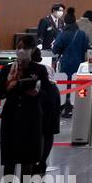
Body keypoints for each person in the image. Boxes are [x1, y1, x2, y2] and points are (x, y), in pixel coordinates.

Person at [0, 36, 49, 183]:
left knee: (27, 158)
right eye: (19, 47)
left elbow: (46, 94)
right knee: (9, 157)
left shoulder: (39, 70)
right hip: (11, 116)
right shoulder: (7, 69)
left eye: (24, 48)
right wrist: (9, 87)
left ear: (32, 50)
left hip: (30, 117)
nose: (21, 50)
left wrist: (36, 93)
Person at [52, 8, 86, 118]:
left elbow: (55, 50)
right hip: (79, 65)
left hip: (66, 64)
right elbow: (87, 47)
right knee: (79, 86)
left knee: (65, 87)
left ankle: (65, 108)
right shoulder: (81, 34)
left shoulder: (63, 34)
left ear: (65, 22)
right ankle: (79, 107)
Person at [33, 45, 61, 174]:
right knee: (48, 131)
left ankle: (36, 161)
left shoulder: (31, 69)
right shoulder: (47, 67)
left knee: (40, 129)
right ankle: (42, 161)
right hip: (52, 95)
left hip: (42, 96)